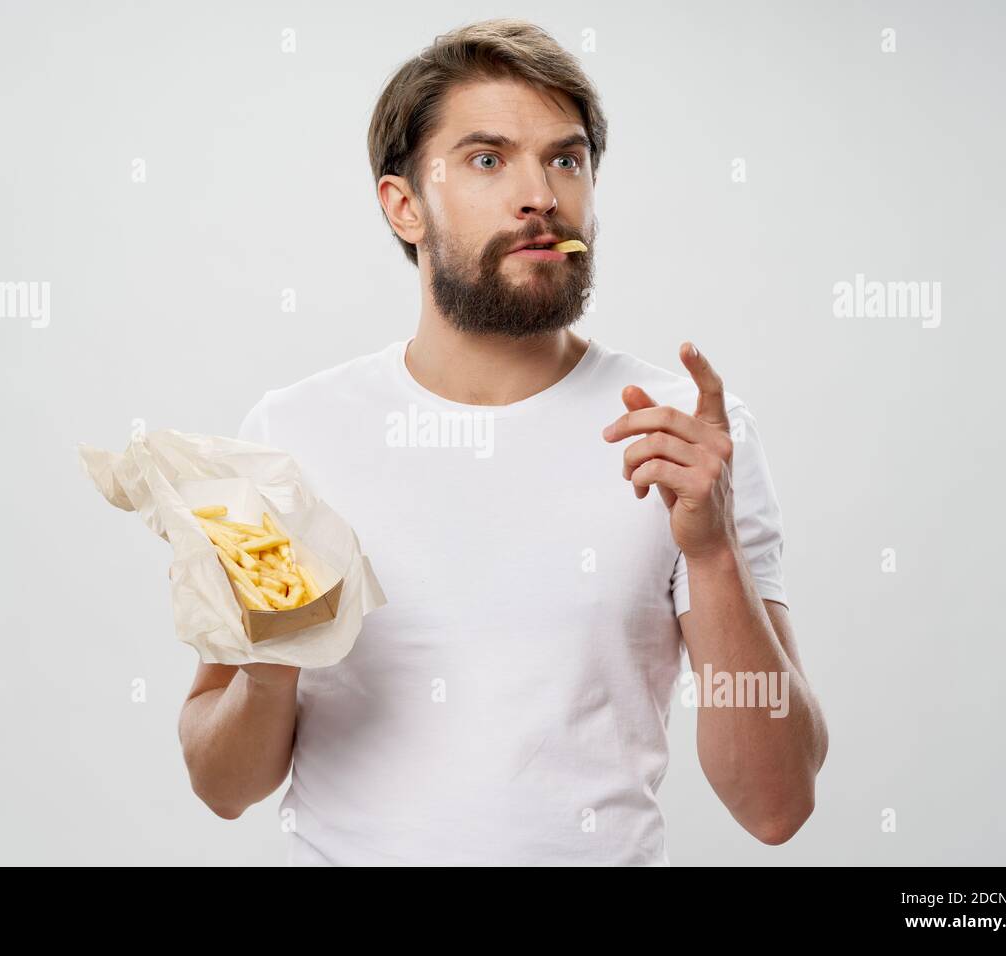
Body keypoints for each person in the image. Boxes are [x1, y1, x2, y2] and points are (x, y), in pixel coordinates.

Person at [178, 18, 827, 865]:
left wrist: (712, 558)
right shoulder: (290, 436)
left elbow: (776, 804)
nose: (542, 195)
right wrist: (276, 661)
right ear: (405, 205)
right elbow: (222, 785)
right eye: (488, 160)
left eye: (566, 159)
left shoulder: (691, 438)